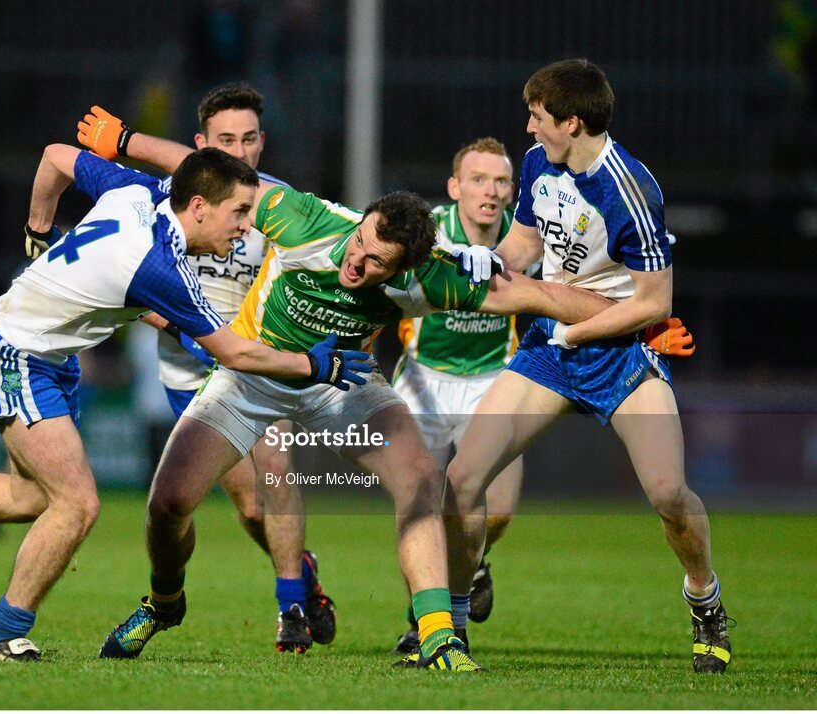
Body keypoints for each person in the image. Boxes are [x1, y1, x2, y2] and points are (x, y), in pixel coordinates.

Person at [76, 111, 625, 672]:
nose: (355, 262)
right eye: (360, 242)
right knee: (167, 504)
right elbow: (211, 172)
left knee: (420, 479)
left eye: (375, 263)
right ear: (361, 221)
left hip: (343, 382)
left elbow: (543, 297)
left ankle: (438, 636)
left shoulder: (430, 278)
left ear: (403, 269)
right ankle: (164, 603)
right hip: (252, 378)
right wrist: (124, 142)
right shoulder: (304, 218)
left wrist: (644, 317)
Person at [0, 145, 372, 661]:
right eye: (241, 211)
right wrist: (318, 365)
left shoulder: (139, 192)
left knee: (27, 497)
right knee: (78, 504)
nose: (248, 226)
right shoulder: (160, 266)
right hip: (14, 353)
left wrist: (37, 230)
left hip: (49, 355)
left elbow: (56, 158)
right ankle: (2, 636)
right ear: (200, 207)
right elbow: (233, 352)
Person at [443, 59, 731, 674]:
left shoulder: (631, 189)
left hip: (621, 354)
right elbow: (525, 244)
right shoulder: (539, 164)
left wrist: (574, 328)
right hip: (552, 348)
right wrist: (488, 261)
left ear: (572, 122)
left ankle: (704, 598)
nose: (528, 128)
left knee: (667, 494)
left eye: (538, 118)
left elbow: (654, 303)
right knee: (463, 478)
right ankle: (450, 630)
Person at [155, 83, 336, 652]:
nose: (239, 150)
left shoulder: (283, 208)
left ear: (264, 142)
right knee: (250, 505)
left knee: (277, 466)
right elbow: (131, 293)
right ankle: (304, 574)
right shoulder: (169, 201)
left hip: (256, 364)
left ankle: (291, 612)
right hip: (188, 371)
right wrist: (193, 331)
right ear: (200, 144)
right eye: (225, 139)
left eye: (249, 138)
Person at [391, 137, 524, 653]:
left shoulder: (527, 239)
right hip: (424, 380)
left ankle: (474, 560)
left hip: (495, 377)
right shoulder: (427, 234)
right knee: (418, 504)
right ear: (455, 188)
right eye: (477, 179)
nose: (488, 191)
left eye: (499, 181)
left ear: (512, 191)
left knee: (498, 511)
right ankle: (425, 619)